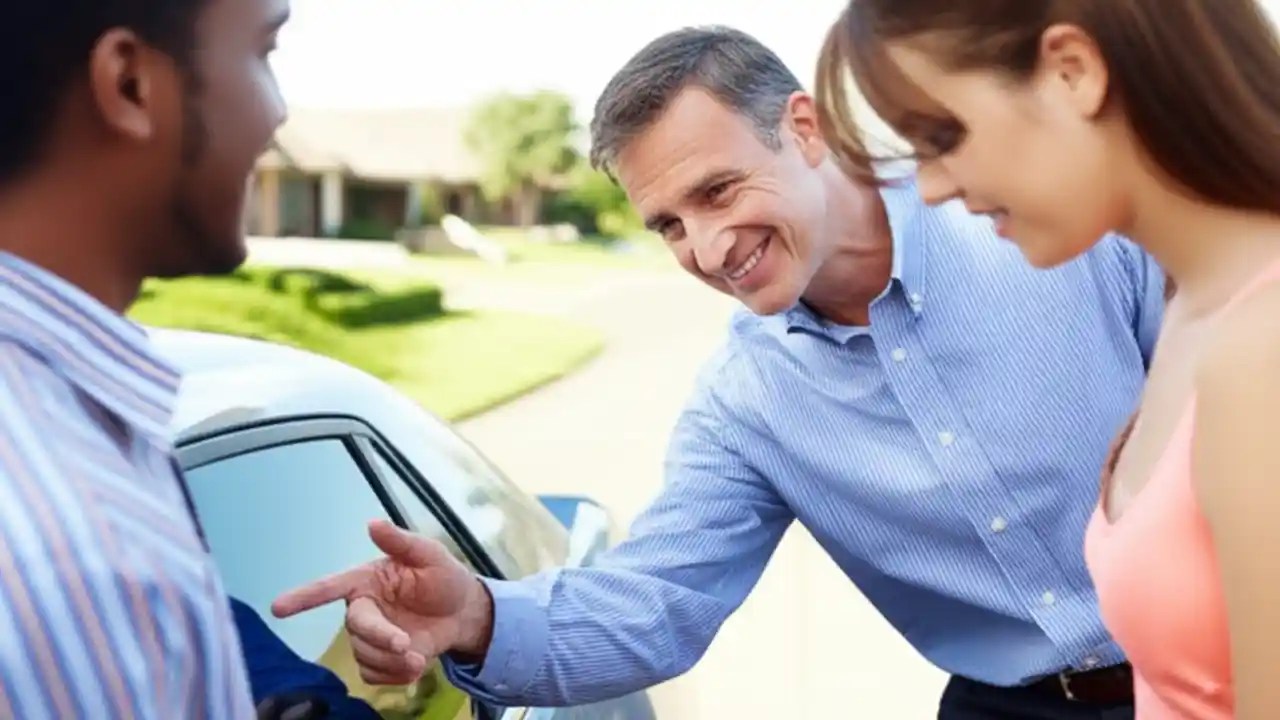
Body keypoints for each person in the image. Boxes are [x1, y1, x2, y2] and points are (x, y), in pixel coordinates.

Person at [272, 26, 1165, 719]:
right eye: (666, 224)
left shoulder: (1039, 223)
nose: (704, 248)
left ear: (804, 128)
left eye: (717, 192)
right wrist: (477, 616)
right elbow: (658, 600)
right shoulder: (744, 406)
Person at [814, 1, 1280, 718]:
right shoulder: (1191, 300)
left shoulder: (1261, 352)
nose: (931, 188)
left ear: (1073, 72)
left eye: (942, 136)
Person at [0, 1, 351, 717]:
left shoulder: (81, 434)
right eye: (262, 52)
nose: (276, 113)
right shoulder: (78, 552)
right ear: (130, 84)